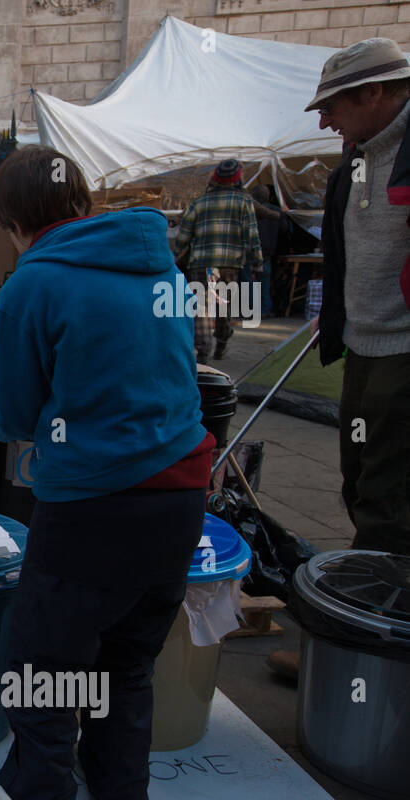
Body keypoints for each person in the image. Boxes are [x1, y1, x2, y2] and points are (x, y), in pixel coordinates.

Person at [0, 146, 212, 800]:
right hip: (180, 496)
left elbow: (16, 417)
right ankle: (123, 794)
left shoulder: (32, 285)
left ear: (16, 220)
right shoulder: (157, 264)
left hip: (92, 507)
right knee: (126, 659)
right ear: (80, 200)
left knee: (42, 667)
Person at [264, 38, 410, 682]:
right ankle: (351, 639)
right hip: (366, 346)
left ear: (375, 93)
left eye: (334, 107)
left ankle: (361, 659)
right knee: (358, 483)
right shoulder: (357, 157)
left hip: (404, 352)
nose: (324, 121)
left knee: (388, 498)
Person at [172, 159, 264, 361]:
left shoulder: (199, 202)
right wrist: (257, 261)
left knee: (201, 307)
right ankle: (222, 341)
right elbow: (252, 234)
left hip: (200, 264)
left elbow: (183, 236)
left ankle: (203, 350)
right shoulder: (243, 201)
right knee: (224, 305)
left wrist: (174, 255)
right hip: (230, 264)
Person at [248, 184, 282, 317]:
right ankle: (265, 309)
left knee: (249, 281)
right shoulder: (275, 211)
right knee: (264, 281)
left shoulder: (249, 209)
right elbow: (283, 228)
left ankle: (251, 308)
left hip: (251, 251)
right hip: (267, 251)